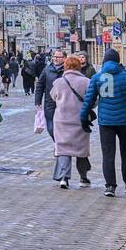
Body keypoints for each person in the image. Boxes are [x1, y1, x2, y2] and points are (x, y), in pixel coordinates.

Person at [81, 47, 126, 198]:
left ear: (104, 60)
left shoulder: (97, 78)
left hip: (106, 122)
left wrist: (83, 118)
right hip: (124, 121)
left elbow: (88, 100)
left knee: (108, 154)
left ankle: (110, 186)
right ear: (119, 61)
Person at [50, 54, 92, 189]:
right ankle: (83, 178)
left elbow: (53, 96)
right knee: (81, 150)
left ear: (65, 66)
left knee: (63, 149)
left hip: (61, 121)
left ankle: (64, 178)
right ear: (79, 67)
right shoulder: (86, 82)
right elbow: (93, 100)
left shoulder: (58, 82)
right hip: (80, 121)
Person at [34, 49, 65, 142]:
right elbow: (40, 85)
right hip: (49, 103)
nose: (56, 59)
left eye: (58, 57)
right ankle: (58, 143)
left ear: (63, 58)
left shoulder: (67, 70)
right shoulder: (47, 69)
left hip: (63, 103)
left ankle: (60, 146)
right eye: (55, 56)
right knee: (50, 128)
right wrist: (37, 101)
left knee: (61, 127)